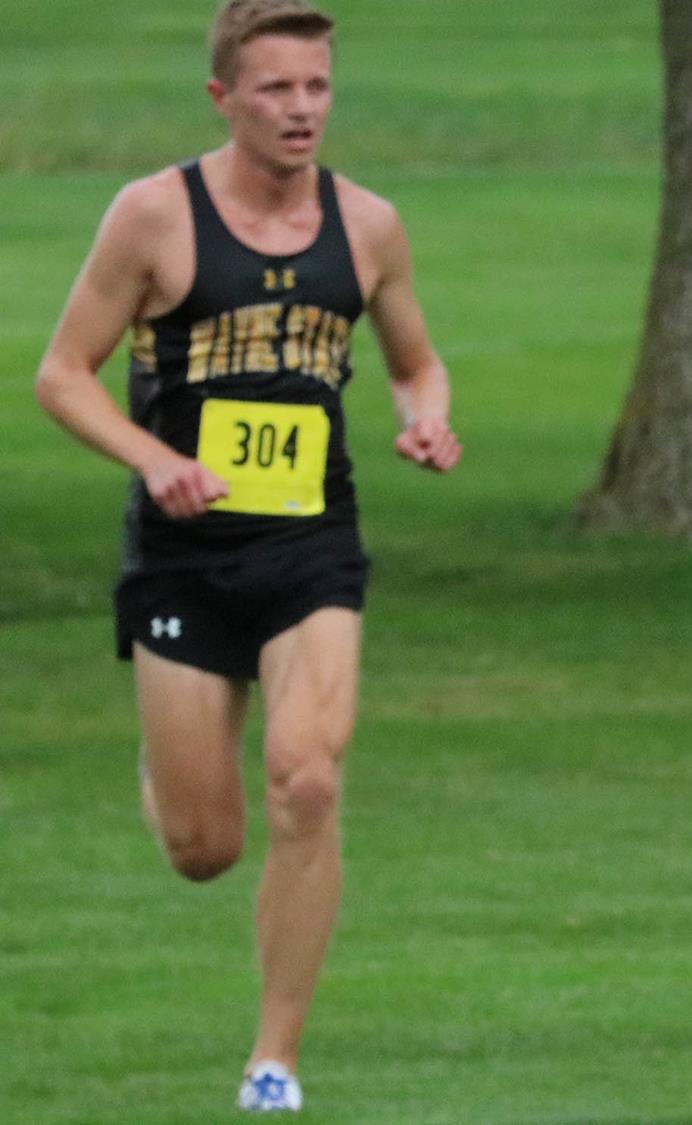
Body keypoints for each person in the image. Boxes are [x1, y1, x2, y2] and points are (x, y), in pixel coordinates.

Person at [33, 0, 460, 1112]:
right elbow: (62, 375)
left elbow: (415, 360)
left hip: (313, 547)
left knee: (309, 780)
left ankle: (274, 1061)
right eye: (277, 89)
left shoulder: (365, 225)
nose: (302, 108)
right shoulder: (152, 218)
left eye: (317, 86)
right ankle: (173, 771)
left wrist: (427, 415)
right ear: (225, 98)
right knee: (203, 846)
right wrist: (152, 461)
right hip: (181, 557)